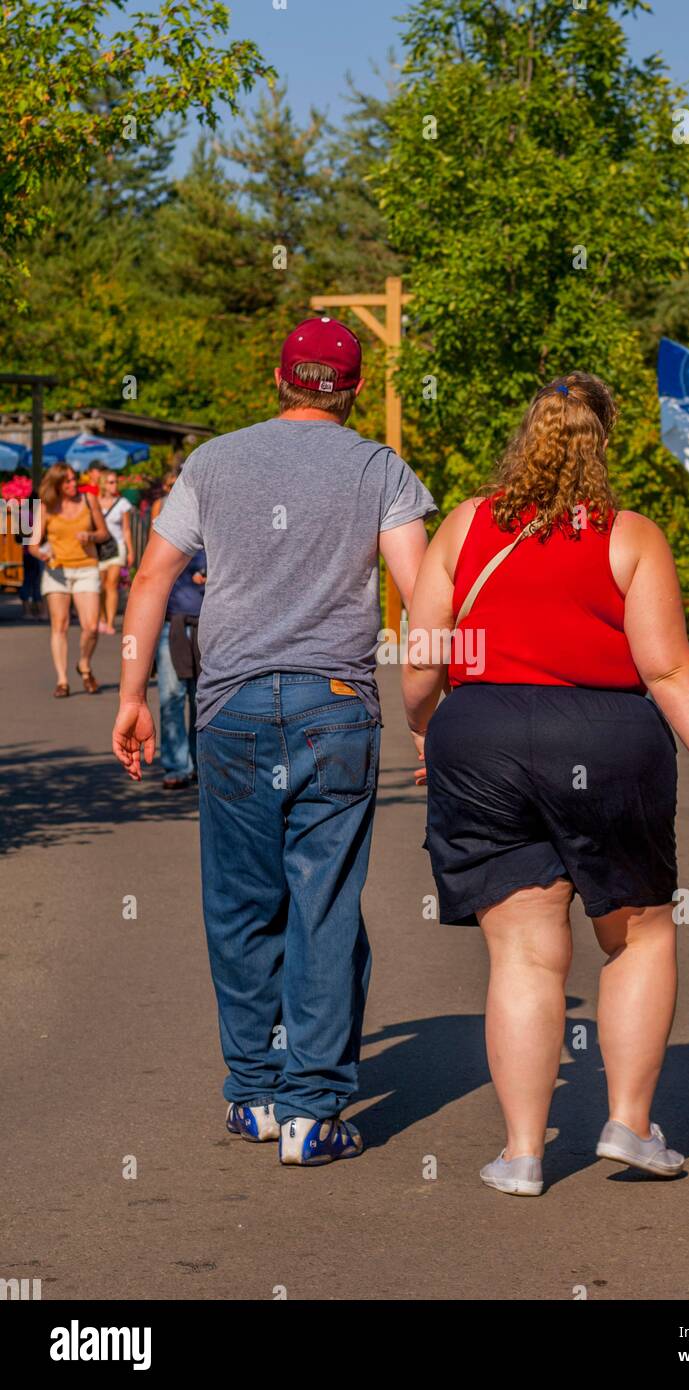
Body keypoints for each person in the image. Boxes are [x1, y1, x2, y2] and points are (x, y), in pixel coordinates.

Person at [403, 372, 689, 1197]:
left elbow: (420, 661)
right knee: (636, 933)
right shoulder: (630, 536)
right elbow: (665, 667)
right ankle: (628, 1124)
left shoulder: (463, 525)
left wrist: (430, 729)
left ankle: (522, 1153)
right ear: (606, 442)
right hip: (606, 735)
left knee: (523, 950)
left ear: (527, 436)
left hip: (480, 737)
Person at [112, 316, 436, 1165]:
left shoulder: (213, 462)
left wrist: (134, 691)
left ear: (280, 379)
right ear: (355, 388)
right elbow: (424, 601)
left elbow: (154, 576)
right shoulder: (379, 468)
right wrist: (427, 717)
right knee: (324, 903)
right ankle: (312, 1111)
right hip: (336, 705)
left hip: (231, 709)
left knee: (240, 904)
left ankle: (254, 1093)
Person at [29, 463, 109, 696]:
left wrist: (90, 535)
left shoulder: (88, 500)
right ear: (57, 485)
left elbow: (104, 533)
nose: (74, 484)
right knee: (60, 625)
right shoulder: (46, 507)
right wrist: (42, 553)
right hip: (57, 570)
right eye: (68, 481)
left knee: (91, 627)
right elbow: (32, 544)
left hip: (86, 568)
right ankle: (62, 680)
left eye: (74, 479)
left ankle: (84, 663)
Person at [158, 542, 206, 791]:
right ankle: (176, 765)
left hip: (209, 626)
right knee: (171, 697)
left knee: (203, 700)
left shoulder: (220, 525)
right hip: (172, 623)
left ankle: (202, 764)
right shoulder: (172, 527)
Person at [94, 466, 136, 634]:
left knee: (111, 585)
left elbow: (126, 529)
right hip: (99, 548)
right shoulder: (94, 502)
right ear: (103, 484)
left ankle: (110, 622)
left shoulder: (122, 504)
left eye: (116, 482)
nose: (115, 485)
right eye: (111, 482)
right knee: (100, 586)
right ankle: (102, 618)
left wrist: (130, 550)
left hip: (117, 546)